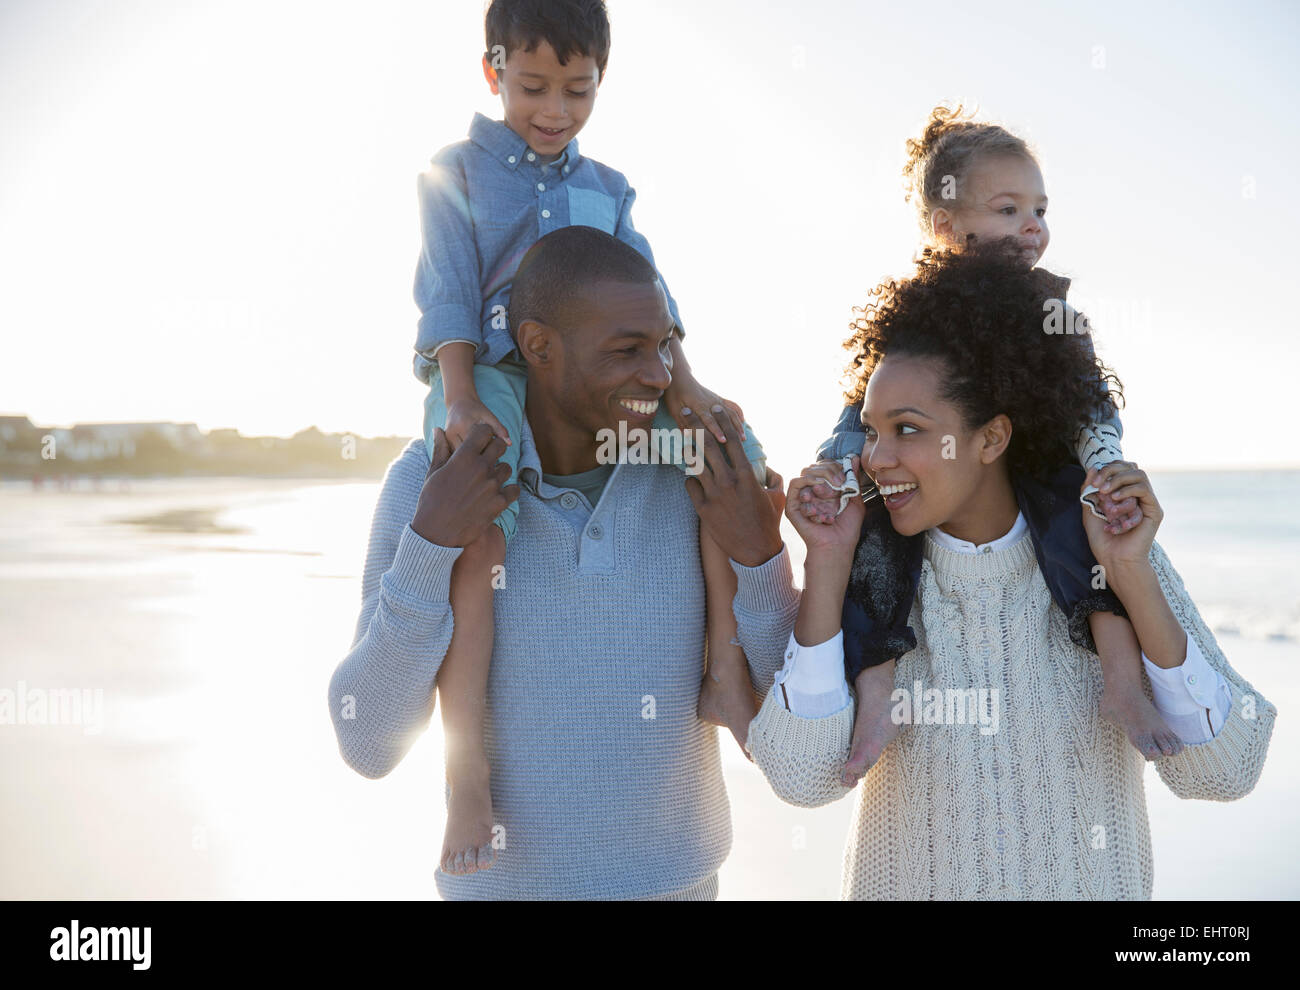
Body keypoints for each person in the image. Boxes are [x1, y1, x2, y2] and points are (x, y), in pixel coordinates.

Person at [748, 243, 1275, 899]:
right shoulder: (871, 573)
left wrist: (1131, 574)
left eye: (907, 430)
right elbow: (803, 778)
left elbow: (1226, 771)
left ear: (993, 438)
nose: (877, 458)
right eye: (871, 431)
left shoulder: (1102, 552)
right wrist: (826, 562)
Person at [330, 227, 793, 899]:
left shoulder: (697, 476)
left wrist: (762, 556)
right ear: (539, 347)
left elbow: (785, 711)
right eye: (627, 350)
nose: (660, 375)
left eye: (663, 345)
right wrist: (431, 543)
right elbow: (368, 743)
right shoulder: (431, 481)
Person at [412, 0, 767, 875]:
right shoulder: (453, 173)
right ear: (493, 69)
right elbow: (449, 296)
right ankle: (467, 770)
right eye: (534, 86)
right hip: (491, 381)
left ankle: (725, 667)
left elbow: (652, 302)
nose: (556, 110)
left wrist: (688, 391)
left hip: (600, 398)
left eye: (579, 90)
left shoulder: (606, 188)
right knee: (478, 539)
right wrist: (460, 397)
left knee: (731, 458)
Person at [797, 104, 1183, 776]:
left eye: (1040, 208)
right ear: (948, 226)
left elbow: (1093, 403)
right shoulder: (916, 312)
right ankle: (877, 688)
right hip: (934, 478)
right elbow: (865, 406)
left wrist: (1103, 463)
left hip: (1042, 464)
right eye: (1008, 210)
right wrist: (834, 466)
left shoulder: (1053, 307)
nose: (1033, 226)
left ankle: (1121, 682)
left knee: (1083, 531)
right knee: (877, 551)